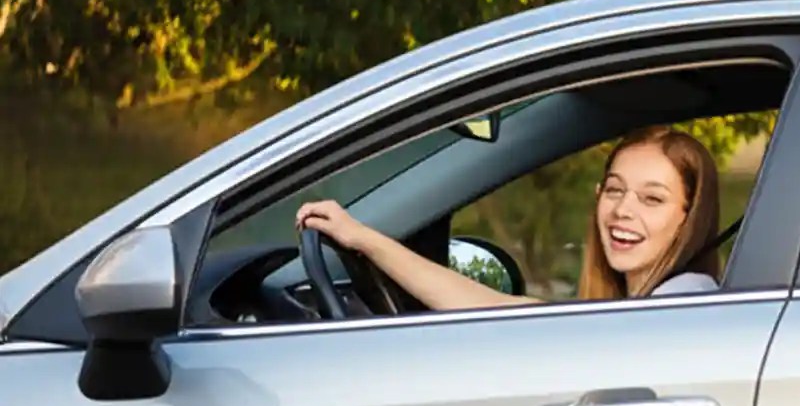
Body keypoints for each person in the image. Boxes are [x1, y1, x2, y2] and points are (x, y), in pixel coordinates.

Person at [295, 125, 721, 310]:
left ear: (689, 218)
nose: (623, 210)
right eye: (614, 190)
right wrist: (363, 239)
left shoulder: (684, 305)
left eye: (652, 199)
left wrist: (365, 239)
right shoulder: (630, 310)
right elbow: (496, 307)